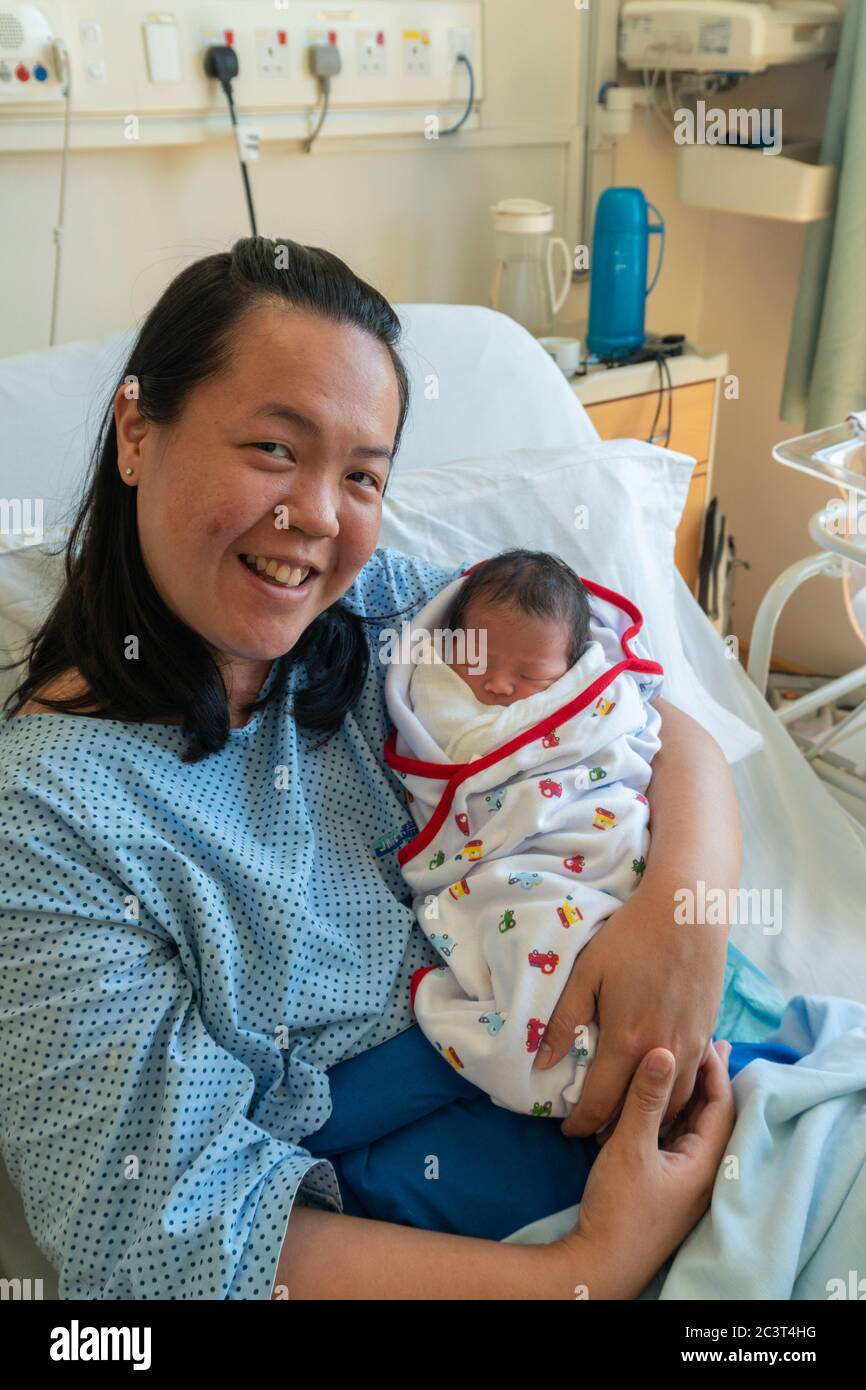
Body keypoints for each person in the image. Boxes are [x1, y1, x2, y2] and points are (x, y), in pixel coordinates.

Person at [0, 236, 738, 1300]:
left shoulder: (386, 611)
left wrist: (685, 916)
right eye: (270, 448)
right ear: (135, 430)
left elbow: (642, 717)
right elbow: (157, 1242)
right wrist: (592, 1267)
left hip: (687, 1088)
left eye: (361, 475)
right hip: (505, 1235)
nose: (315, 517)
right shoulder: (50, 821)